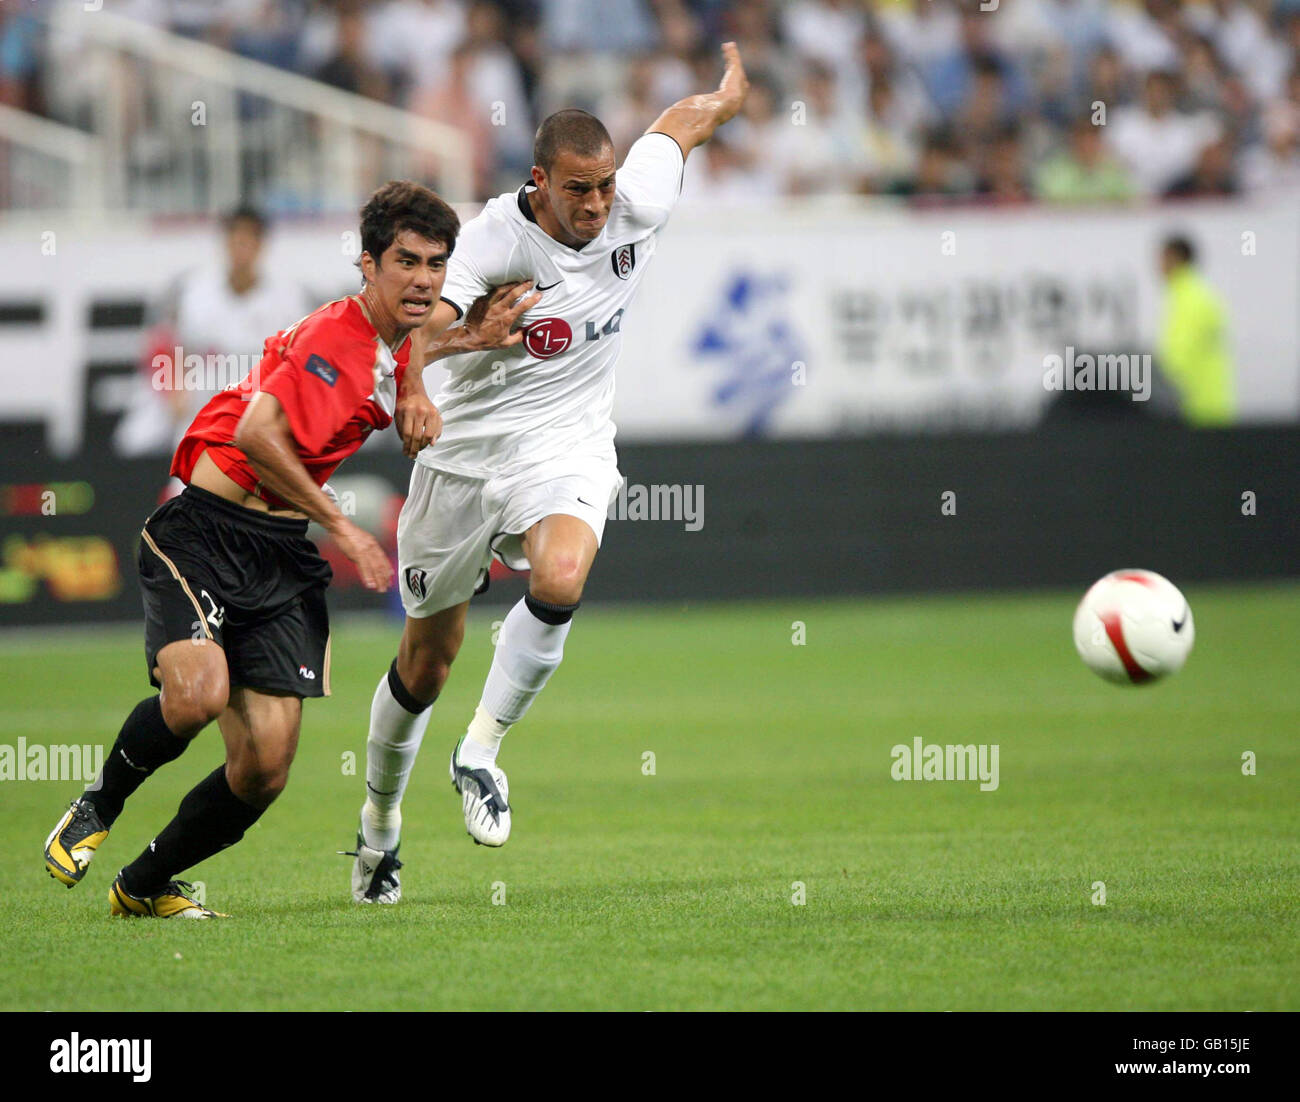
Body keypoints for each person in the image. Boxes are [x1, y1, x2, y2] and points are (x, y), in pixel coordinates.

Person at [43, 181, 534, 917]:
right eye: (406, 262)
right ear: (367, 265)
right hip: (204, 528)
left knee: (265, 768)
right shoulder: (333, 335)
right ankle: (97, 805)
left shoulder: (398, 334)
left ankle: (144, 886)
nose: (425, 280)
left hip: (276, 555)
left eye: (437, 264)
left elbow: (415, 346)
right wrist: (340, 527)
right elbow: (256, 436)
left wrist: (461, 345)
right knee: (198, 694)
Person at [347, 42, 750, 905]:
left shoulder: (636, 202)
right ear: (539, 181)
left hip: (564, 444)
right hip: (461, 456)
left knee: (563, 575)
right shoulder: (492, 238)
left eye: (604, 185)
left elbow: (680, 126)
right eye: (579, 189)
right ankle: (379, 827)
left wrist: (728, 95)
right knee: (426, 660)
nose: (599, 204)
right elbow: (414, 331)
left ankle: (481, 751)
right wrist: (429, 377)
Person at [1157, 235, 1236, 426]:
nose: (1159, 267)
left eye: (1162, 259)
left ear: (1175, 258)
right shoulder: (1199, 295)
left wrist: (1157, 394)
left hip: (1196, 408)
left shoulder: (1189, 301)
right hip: (1211, 403)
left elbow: (1177, 358)